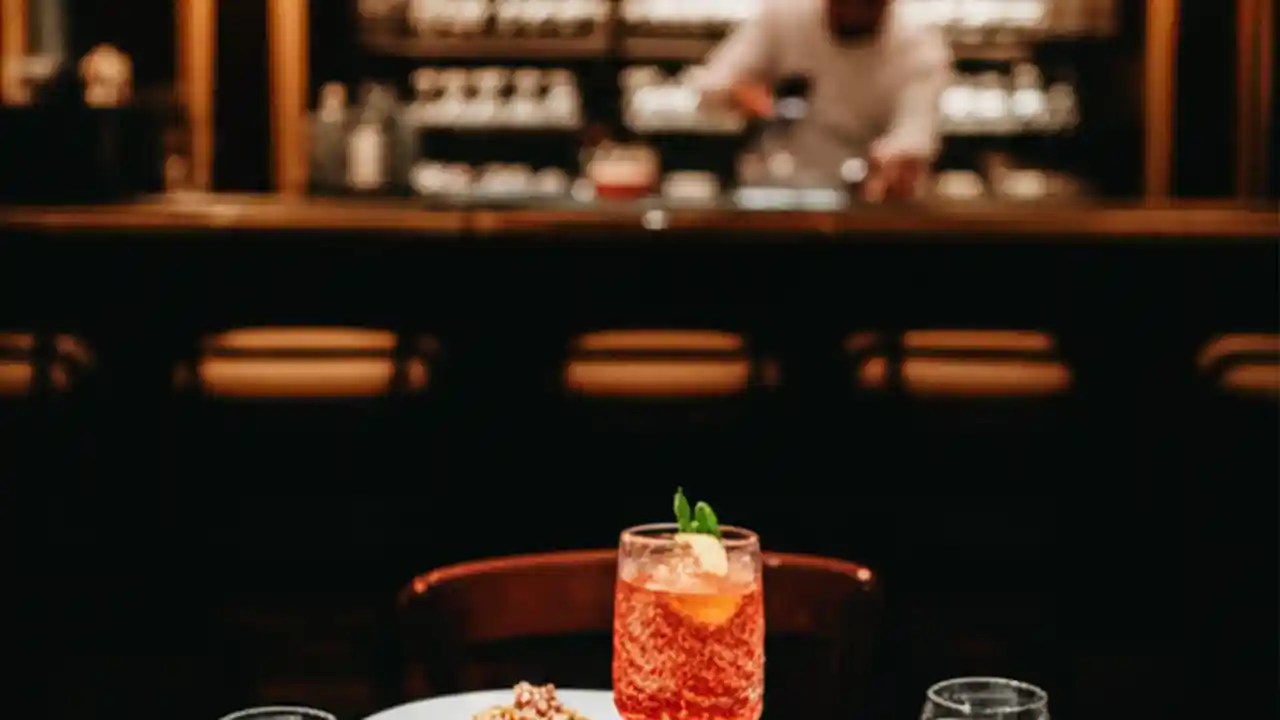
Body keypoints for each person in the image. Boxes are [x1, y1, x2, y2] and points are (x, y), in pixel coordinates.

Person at [691, 0, 952, 200]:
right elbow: (711, 84)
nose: (853, 7)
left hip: (866, 200)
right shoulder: (786, 15)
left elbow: (914, 132)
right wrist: (744, 95)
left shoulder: (920, 46)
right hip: (777, 189)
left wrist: (897, 165)